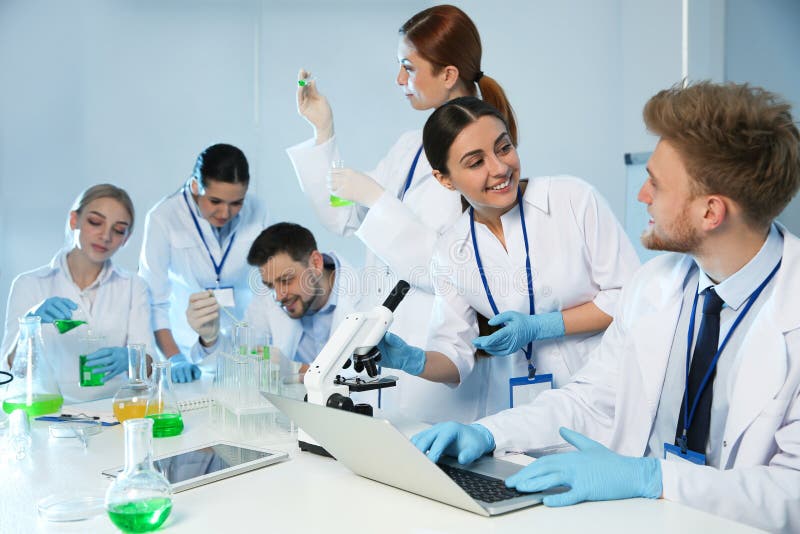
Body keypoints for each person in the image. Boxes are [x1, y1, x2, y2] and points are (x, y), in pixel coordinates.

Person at [411, 82, 800, 532]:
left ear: (711, 213)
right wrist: (489, 432)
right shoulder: (655, 285)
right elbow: (591, 400)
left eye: (656, 184)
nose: (641, 196)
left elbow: (791, 492)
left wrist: (653, 478)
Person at [286, 4, 518, 421]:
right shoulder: (411, 145)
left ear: (448, 74)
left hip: (433, 351)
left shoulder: (482, 160)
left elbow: (450, 269)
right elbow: (344, 218)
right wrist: (323, 133)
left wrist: (379, 201)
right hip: (385, 342)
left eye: (408, 67)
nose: (399, 79)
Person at [373, 97, 639, 421]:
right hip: (531, 416)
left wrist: (542, 326)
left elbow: (629, 297)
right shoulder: (451, 250)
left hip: (612, 397)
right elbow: (455, 355)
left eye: (504, 148)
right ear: (444, 179)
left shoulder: (572, 199)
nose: (500, 168)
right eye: (476, 162)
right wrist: (410, 360)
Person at [1, 184, 154, 403]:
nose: (106, 236)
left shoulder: (134, 286)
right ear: (74, 220)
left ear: (126, 239)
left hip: (115, 407)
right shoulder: (29, 284)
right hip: (51, 409)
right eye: (95, 222)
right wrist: (29, 327)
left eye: (119, 230)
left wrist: (130, 358)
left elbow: (149, 365)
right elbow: (9, 370)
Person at [139, 143, 269, 383]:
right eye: (215, 201)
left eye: (236, 203)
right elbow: (154, 301)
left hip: (242, 345)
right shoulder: (163, 217)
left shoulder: (258, 210)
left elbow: (265, 282)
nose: (225, 213)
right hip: (186, 347)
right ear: (195, 186)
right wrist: (175, 358)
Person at [184, 223, 363, 377]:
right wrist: (210, 338)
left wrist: (297, 369)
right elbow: (239, 359)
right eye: (270, 285)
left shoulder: (366, 297)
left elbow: (367, 377)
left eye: (286, 280)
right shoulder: (268, 298)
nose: (278, 296)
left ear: (316, 263)